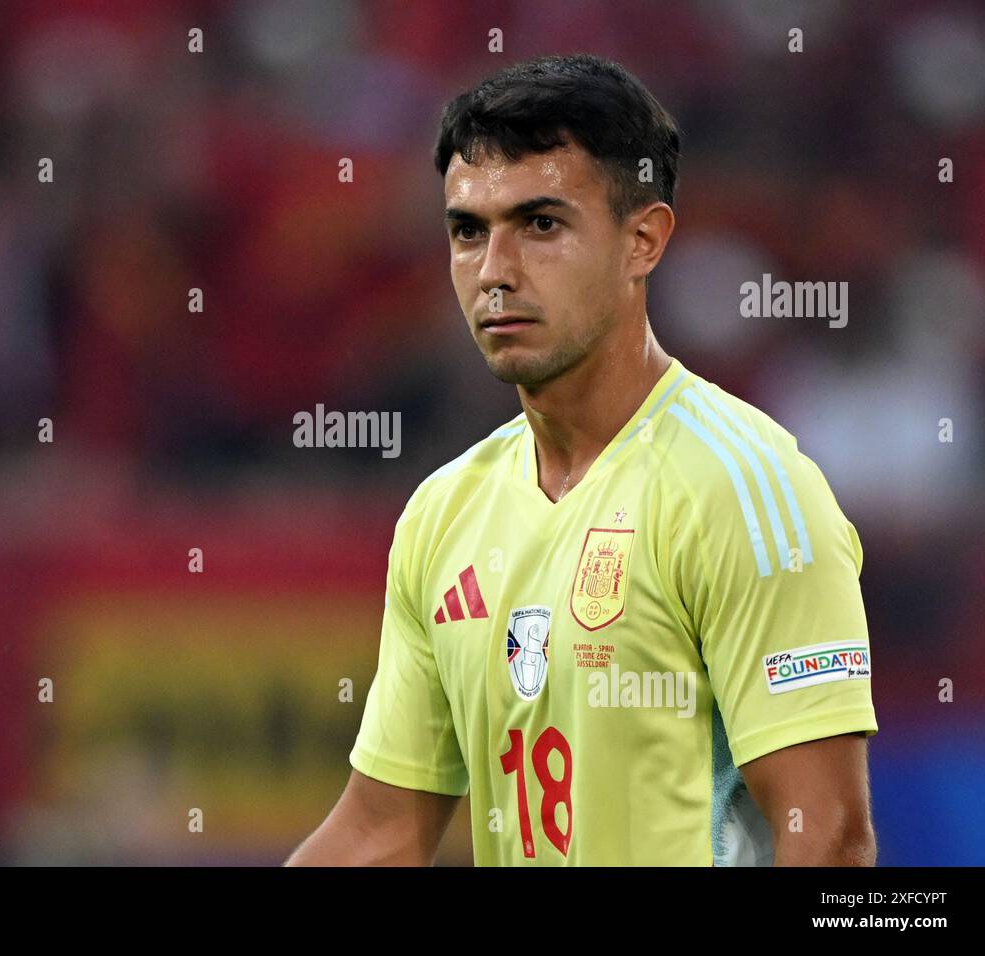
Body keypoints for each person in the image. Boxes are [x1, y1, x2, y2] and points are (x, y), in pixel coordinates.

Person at [286, 53, 876, 866]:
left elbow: (831, 839)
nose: (494, 272)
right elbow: (381, 830)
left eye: (541, 225)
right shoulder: (443, 512)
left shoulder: (745, 490)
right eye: (468, 231)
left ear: (643, 241)